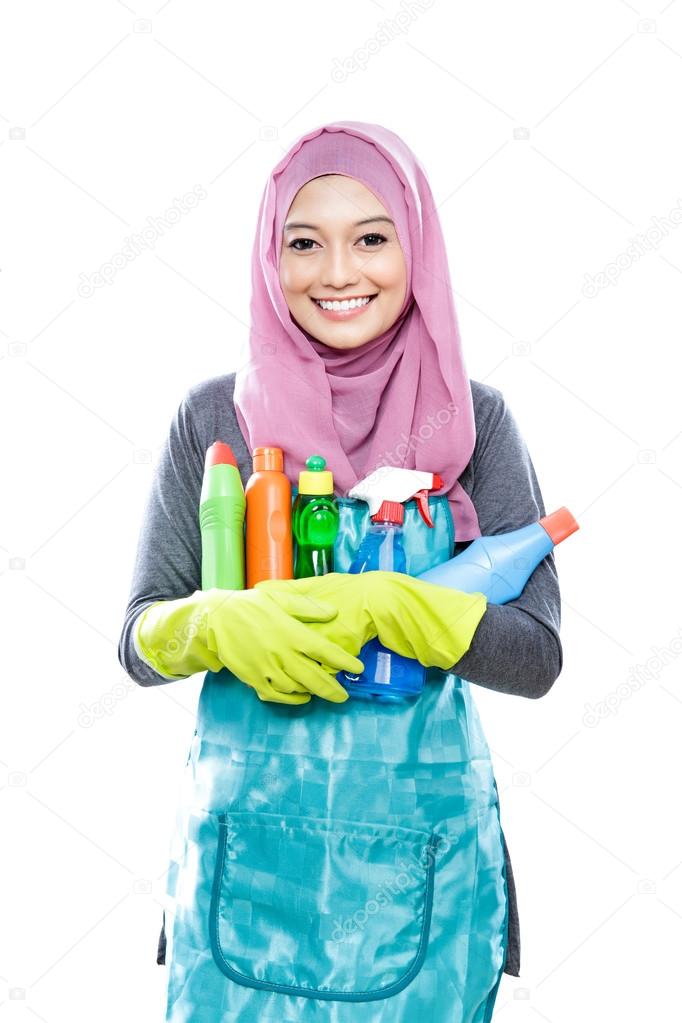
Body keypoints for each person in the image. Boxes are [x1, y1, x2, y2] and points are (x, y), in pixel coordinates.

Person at [118, 121, 562, 1023]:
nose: (338, 272)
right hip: (246, 871)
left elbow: (539, 656)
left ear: (418, 246)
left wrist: (407, 608)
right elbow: (136, 639)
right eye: (303, 242)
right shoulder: (216, 418)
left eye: (371, 237)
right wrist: (205, 622)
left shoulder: (476, 423)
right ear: (267, 256)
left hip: (425, 872)